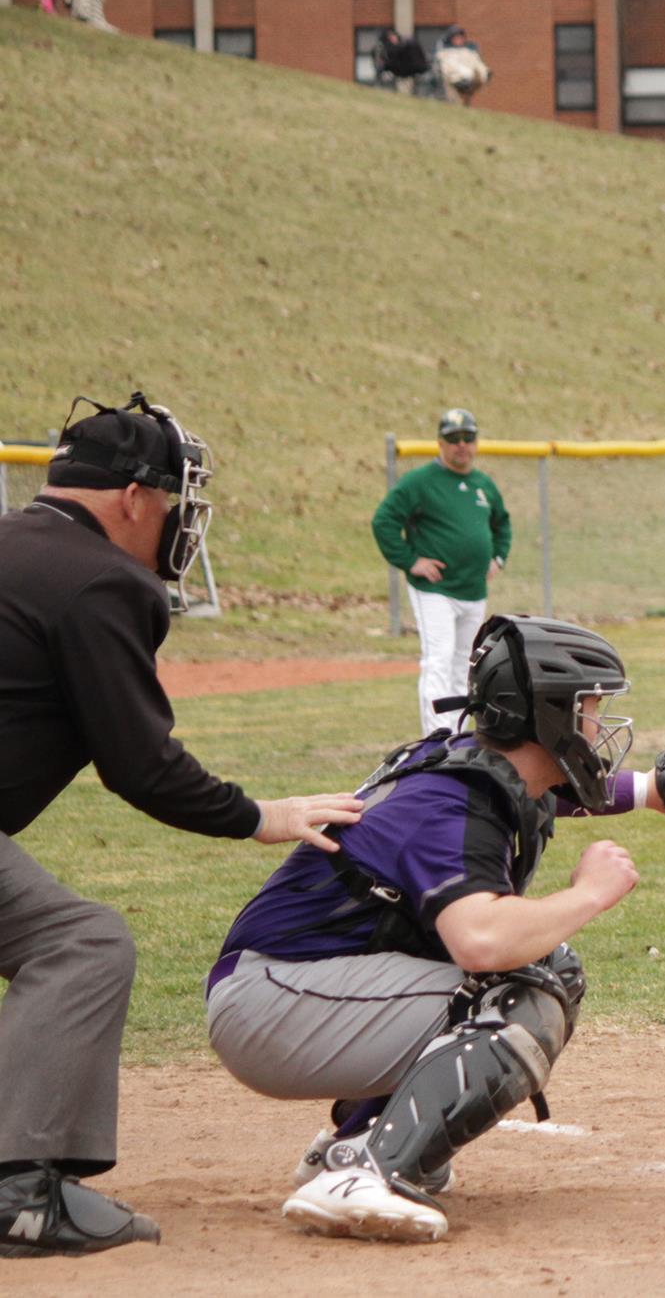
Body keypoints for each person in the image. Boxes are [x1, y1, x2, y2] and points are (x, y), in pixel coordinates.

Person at [206, 614, 665, 1243]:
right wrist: (588, 894)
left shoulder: (480, 769)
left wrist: (652, 790)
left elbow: (549, 792)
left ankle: (353, 1144)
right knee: (525, 985)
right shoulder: (450, 803)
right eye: (590, 707)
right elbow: (479, 940)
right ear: (550, 715)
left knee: (539, 968)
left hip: (299, 987)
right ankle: (365, 1172)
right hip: (274, 1001)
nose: (600, 724)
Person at [0, 394, 364, 1260]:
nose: (177, 520)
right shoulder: (102, 580)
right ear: (133, 496)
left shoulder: (15, 544)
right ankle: (20, 1193)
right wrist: (261, 816)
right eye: (173, 499)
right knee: (81, 943)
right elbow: (141, 765)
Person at [372, 408, 511, 735]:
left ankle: (459, 735)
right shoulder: (420, 482)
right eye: (453, 439)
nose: (461, 445)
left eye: (468, 438)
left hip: (473, 590)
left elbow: (501, 524)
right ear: (440, 443)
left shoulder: (482, 485)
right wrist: (411, 561)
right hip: (435, 590)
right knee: (439, 658)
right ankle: (437, 738)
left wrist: (498, 558)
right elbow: (384, 521)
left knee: (466, 663)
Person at [432, 25, 491, 107]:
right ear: (451, 38)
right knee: (454, 100)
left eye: (460, 37)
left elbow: (477, 64)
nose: (459, 40)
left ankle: (466, 98)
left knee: (477, 74)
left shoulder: (469, 51)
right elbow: (447, 67)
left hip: (470, 78)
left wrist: (485, 73)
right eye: (456, 37)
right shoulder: (445, 52)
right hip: (453, 79)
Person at [370, 27, 431, 91]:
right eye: (391, 38)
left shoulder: (405, 45)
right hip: (403, 70)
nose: (393, 39)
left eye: (393, 37)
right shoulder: (388, 48)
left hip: (409, 69)